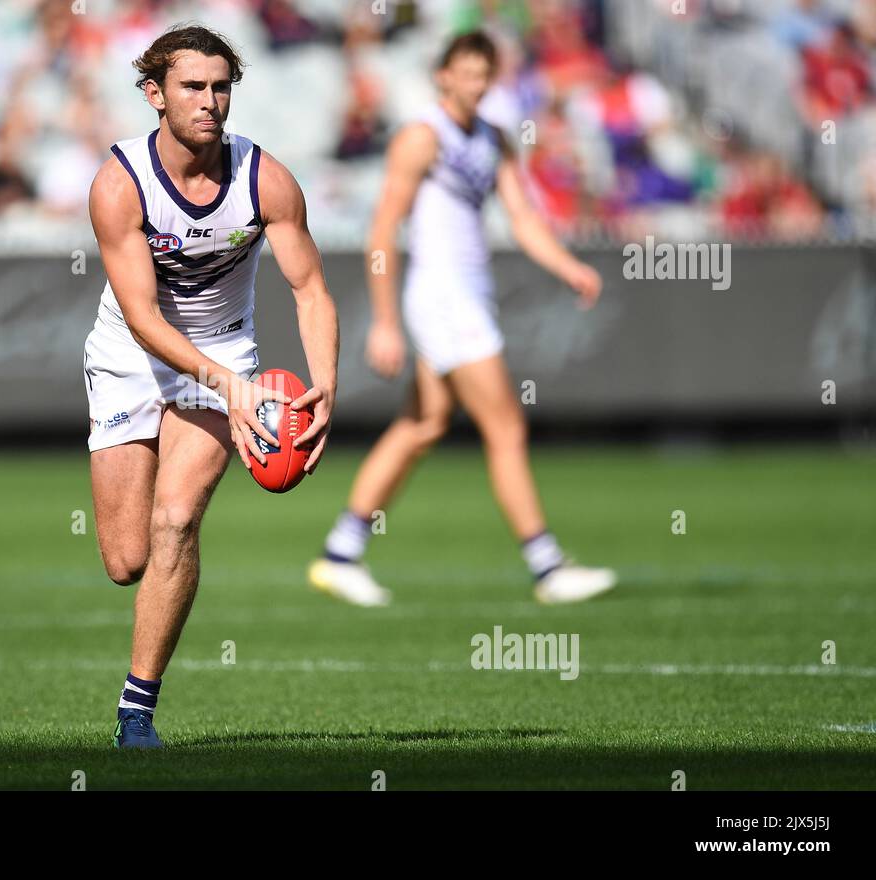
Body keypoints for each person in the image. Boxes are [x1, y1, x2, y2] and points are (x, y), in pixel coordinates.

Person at [84, 25, 339, 748]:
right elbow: (140, 316)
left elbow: (312, 290)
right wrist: (228, 385)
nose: (210, 101)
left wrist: (325, 383)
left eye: (221, 86)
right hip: (131, 353)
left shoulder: (266, 180)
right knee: (126, 559)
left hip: (225, 348)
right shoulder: (119, 183)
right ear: (154, 94)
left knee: (176, 521)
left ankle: (137, 712)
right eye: (193, 87)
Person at [308, 31, 615, 608]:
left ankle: (340, 553)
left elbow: (522, 217)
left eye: (485, 74)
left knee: (422, 425)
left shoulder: (494, 137)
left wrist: (568, 266)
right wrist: (384, 320)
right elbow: (382, 231)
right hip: (444, 298)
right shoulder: (423, 137)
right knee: (506, 428)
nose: (476, 83)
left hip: (469, 294)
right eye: (466, 72)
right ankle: (546, 564)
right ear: (442, 75)